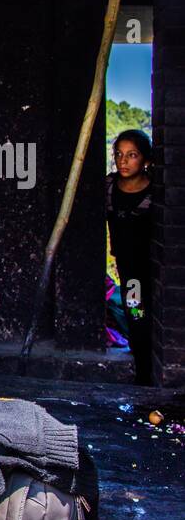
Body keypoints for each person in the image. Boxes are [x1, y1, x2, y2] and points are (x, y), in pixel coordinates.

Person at [107, 129, 154, 384]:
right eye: (119, 154)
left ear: (145, 160)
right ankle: (143, 372)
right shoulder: (110, 187)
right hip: (130, 272)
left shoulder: (155, 191)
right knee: (136, 315)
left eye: (132, 155)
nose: (123, 161)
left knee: (154, 317)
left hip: (155, 271)